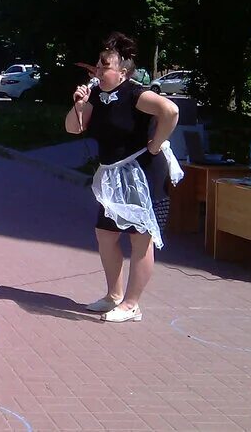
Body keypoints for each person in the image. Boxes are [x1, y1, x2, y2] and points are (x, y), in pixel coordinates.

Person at [64, 32, 180, 323]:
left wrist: (155, 144)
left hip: (142, 175)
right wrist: (79, 104)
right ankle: (113, 296)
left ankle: (132, 304)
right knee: (105, 235)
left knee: (140, 239)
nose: (99, 72)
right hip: (113, 178)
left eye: (106, 68)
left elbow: (171, 110)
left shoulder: (134, 94)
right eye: (98, 66)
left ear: (123, 72)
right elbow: (72, 128)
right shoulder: (99, 98)